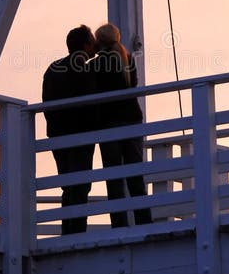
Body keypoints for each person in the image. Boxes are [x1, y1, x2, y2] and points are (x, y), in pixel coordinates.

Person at [91, 23, 152, 228]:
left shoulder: (97, 63)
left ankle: (119, 224)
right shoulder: (128, 59)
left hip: (110, 122)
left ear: (99, 41)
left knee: (114, 177)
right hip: (132, 118)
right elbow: (131, 84)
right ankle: (144, 221)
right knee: (135, 175)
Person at [42, 25, 97, 235]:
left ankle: (68, 230)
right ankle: (77, 232)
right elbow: (91, 100)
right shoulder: (84, 68)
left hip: (57, 133)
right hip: (80, 134)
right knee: (81, 185)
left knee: (67, 185)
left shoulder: (53, 68)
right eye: (92, 41)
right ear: (85, 45)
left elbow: (47, 102)